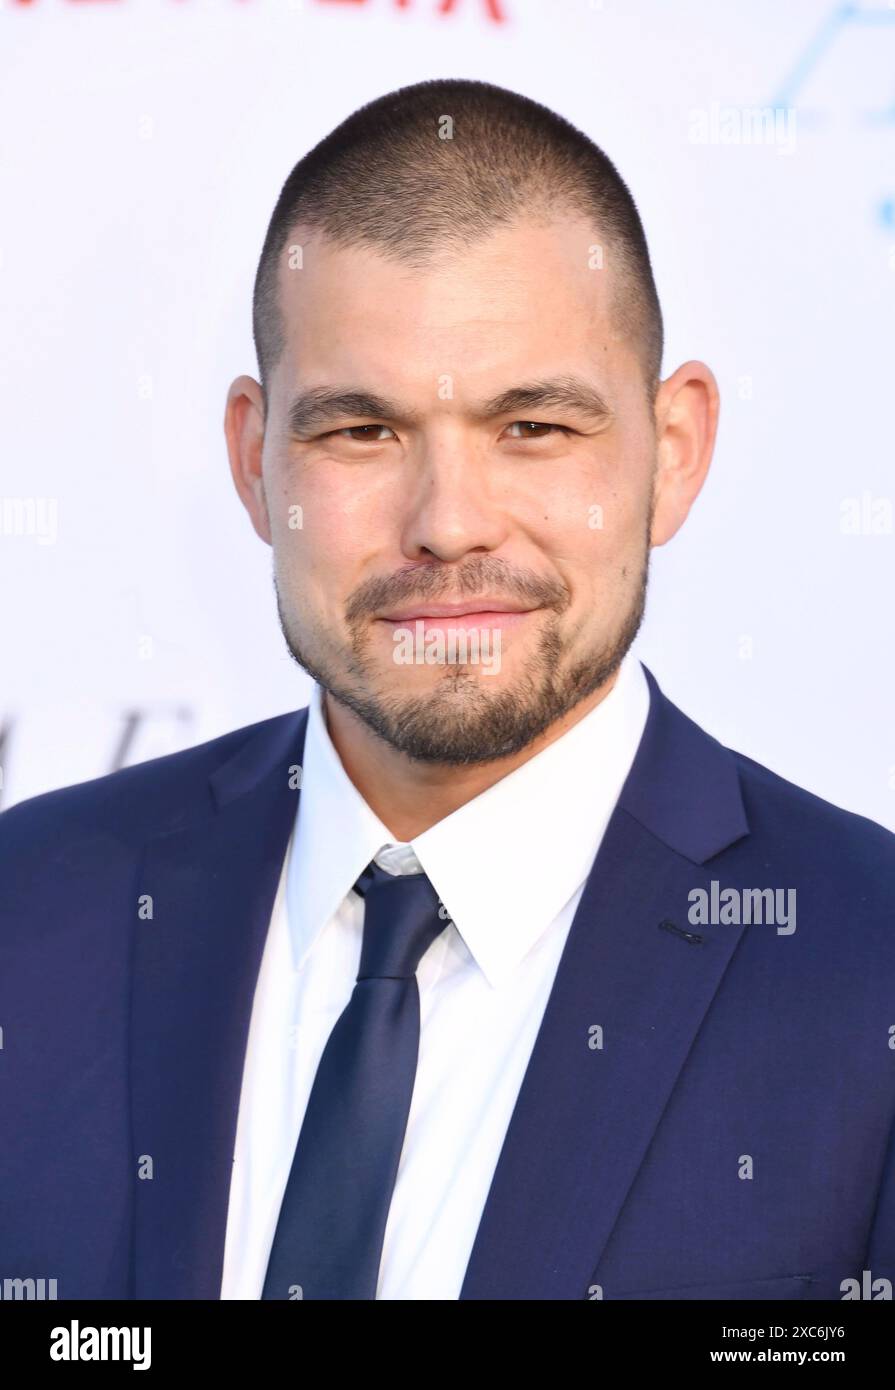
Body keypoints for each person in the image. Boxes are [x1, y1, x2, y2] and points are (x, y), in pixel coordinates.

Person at [1, 78, 893, 1302]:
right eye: (360, 432)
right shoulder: (28, 916)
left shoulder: (865, 964)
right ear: (254, 465)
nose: (448, 524)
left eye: (532, 426)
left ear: (671, 451)